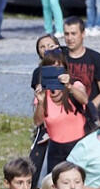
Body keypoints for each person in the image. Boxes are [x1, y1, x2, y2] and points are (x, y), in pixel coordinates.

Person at [31, 47, 89, 176]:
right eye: (50, 68)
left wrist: (69, 86)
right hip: (55, 147)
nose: (55, 73)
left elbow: (84, 100)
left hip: (78, 145)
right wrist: (40, 101)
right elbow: (38, 121)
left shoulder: (75, 85)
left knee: (78, 179)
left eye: (58, 68)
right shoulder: (43, 93)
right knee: (55, 181)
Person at [63, 17, 100, 110]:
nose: (69, 38)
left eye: (73, 34)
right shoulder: (59, 57)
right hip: (64, 113)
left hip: (89, 112)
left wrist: (89, 109)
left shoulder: (97, 59)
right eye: (66, 34)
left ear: (83, 34)